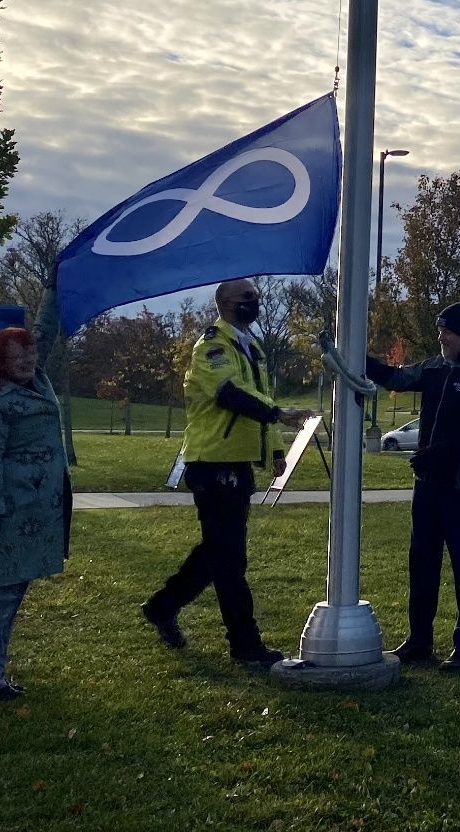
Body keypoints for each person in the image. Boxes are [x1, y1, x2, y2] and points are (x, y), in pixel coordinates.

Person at [141, 278, 309, 669]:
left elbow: (259, 397)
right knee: (229, 559)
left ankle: (162, 607)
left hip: (236, 462)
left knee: (217, 552)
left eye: (256, 297)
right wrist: (278, 414)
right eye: (247, 297)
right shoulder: (212, 347)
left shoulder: (252, 346)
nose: (255, 301)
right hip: (212, 463)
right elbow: (229, 394)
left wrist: (276, 452)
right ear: (225, 304)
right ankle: (245, 645)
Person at [365, 299, 460, 670]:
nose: (439, 336)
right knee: (422, 562)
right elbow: (396, 378)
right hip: (426, 485)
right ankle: (419, 641)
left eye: (445, 329)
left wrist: (440, 453)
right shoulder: (434, 367)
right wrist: (357, 358)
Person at [0, 326, 71, 701]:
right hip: (9, 513)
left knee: (12, 593)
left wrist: (54, 285)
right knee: (0, 597)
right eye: (17, 357)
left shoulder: (37, 381)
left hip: (35, 511)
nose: (27, 361)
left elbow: (44, 331)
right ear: (0, 362)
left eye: (30, 354)